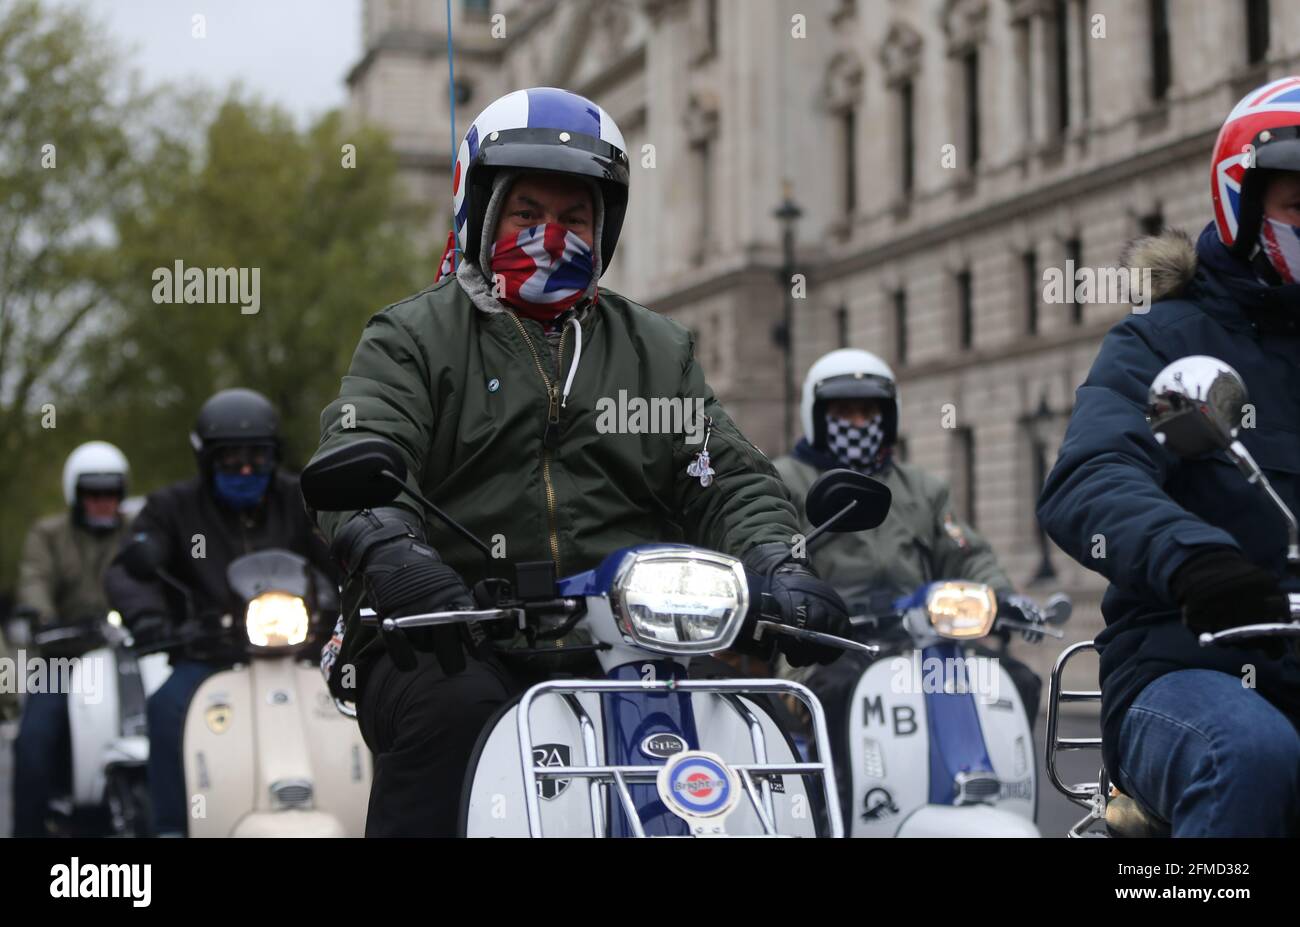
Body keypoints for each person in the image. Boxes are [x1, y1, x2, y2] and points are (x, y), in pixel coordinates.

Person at [310, 86, 849, 836]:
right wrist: (390, 546)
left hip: (635, 641)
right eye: (528, 214)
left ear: (607, 227)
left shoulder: (655, 349)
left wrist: (775, 558)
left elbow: (724, 472)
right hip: (452, 632)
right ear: (483, 212)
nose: (552, 235)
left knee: (751, 727)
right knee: (451, 714)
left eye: (575, 218)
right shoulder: (415, 337)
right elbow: (361, 444)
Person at [1037, 76, 1300, 837]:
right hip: (1186, 663)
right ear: (1242, 202)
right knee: (1250, 751)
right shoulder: (1162, 338)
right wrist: (1194, 560)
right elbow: (1091, 475)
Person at [772, 350, 1048, 787]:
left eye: (870, 411)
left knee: (1014, 681)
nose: (859, 422)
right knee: (839, 693)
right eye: (845, 411)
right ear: (817, 414)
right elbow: (766, 552)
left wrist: (1003, 595)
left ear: (890, 416)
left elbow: (967, 553)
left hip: (922, 639)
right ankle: (839, 803)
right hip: (827, 644)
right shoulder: (783, 481)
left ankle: (990, 787)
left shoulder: (923, 489)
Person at [104, 388, 333, 836]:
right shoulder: (172, 508)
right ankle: (172, 828)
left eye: (258, 457)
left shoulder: (301, 498)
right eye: (231, 459)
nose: (246, 469)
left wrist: (355, 600)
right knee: (167, 708)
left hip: (303, 649)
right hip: (207, 652)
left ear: (275, 457)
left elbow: (342, 554)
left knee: (364, 697)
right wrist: (150, 618)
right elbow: (126, 571)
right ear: (207, 461)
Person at [11, 441, 132, 836]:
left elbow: (162, 574)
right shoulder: (48, 534)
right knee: (32, 744)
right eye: (93, 494)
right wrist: (42, 616)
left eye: (110, 493)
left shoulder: (139, 531)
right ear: (76, 495)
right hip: (62, 659)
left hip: (128, 659)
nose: (102, 502)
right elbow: (34, 578)